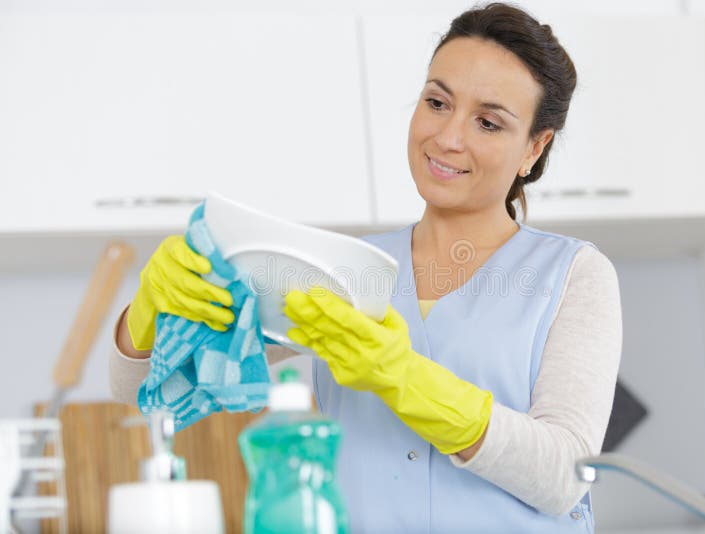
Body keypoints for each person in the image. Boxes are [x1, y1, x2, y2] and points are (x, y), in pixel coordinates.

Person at [110, 3, 622, 532]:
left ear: (534, 149)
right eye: (437, 102)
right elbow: (150, 392)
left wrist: (406, 379)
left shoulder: (573, 275)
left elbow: (567, 475)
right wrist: (150, 312)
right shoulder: (344, 270)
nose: (448, 137)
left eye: (488, 122)